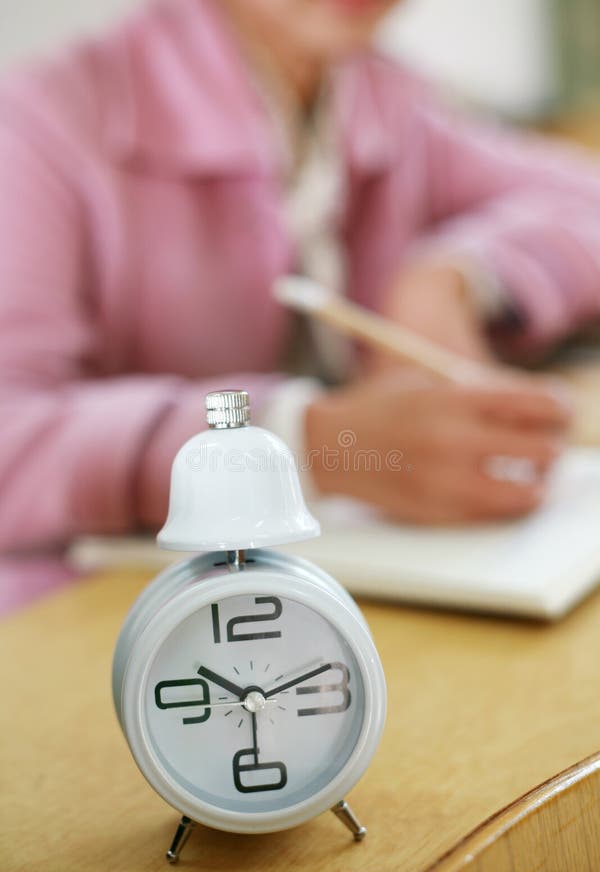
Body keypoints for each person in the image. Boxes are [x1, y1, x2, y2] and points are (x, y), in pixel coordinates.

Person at [1, 0, 598, 604]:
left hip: (356, 598)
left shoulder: (384, 102)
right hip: (105, 617)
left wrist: (458, 275)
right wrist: (310, 445)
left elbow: (587, 198)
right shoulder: (40, 122)